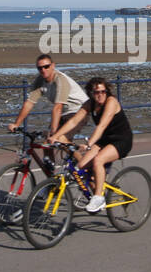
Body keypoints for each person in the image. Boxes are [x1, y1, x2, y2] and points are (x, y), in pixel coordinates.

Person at [50, 76, 132, 213]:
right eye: (96, 92)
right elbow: (74, 121)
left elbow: (101, 126)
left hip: (121, 140)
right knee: (81, 166)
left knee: (98, 161)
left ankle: (98, 198)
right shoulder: (90, 104)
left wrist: (89, 144)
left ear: (107, 91)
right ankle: (97, 186)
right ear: (91, 93)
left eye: (102, 92)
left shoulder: (111, 102)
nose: (100, 95)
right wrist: (55, 136)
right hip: (105, 140)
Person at [8, 54, 89, 143]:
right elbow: (29, 103)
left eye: (46, 66)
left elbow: (58, 107)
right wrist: (16, 124)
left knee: (59, 139)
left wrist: (53, 133)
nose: (43, 70)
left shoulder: (60, 80)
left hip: (80, 110)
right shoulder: (40, 80)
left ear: (53, 66)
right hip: (64, 113)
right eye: (40, 68)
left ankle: (82, 158)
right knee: (46, 142)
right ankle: (48, 157)